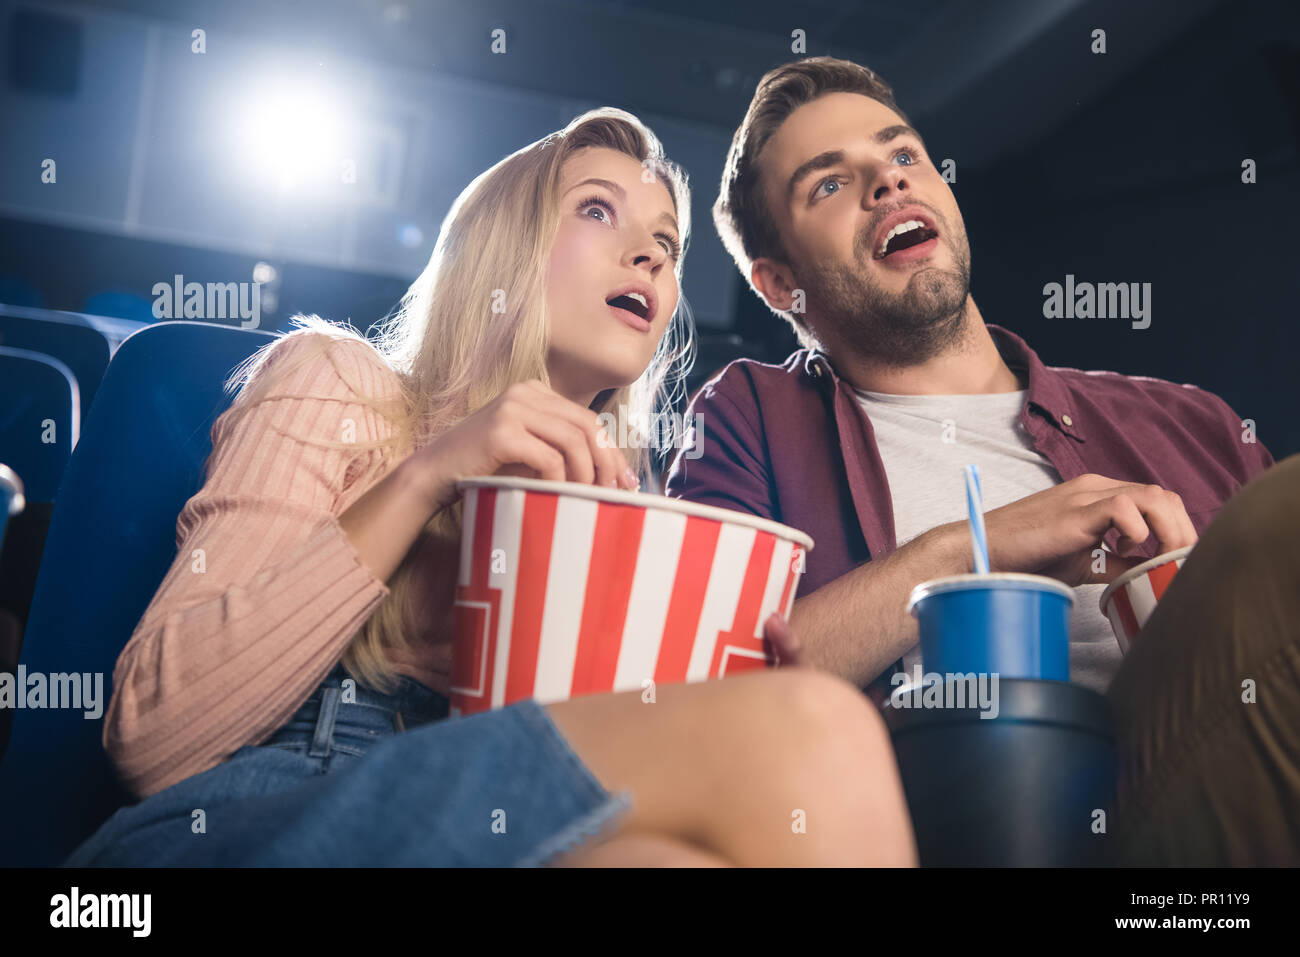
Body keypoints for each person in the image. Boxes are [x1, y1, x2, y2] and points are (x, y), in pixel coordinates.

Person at [62, 108, 917, 868]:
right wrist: (427, 475)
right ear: (502, 247)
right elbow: (153, 738)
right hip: (234, 815)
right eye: (595, 208)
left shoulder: (626, 509)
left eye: (668, 242)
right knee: (818, 726)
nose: (652, 254)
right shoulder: (341, 383)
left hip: (481, 820)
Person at [665, 56, 1300, 865]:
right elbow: (702, 697)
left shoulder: (1190, 422)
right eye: (829, 184)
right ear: (779, 281)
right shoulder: (749, 418)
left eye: (902, 156)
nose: (887, 184)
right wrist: (979, 545)